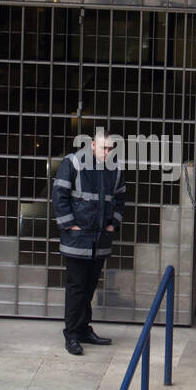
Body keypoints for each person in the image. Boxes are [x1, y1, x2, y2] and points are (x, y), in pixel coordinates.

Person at [51, 129, 125, 356]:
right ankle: (72, 334)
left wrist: (114, 223)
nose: (107, 152)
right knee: (77, 288)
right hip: (77, 240)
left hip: (99, 240)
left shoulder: (115, 169)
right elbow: (59, 195)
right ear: (92, 144)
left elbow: (120, 197)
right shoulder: (73, 162)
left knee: (89, 287)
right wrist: (70, 225)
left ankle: (83, 329)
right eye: (104, 147)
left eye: (111, 148)